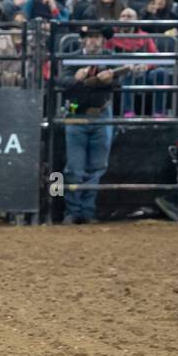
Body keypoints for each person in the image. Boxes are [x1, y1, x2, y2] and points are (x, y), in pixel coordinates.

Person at [59, 25, 122, 224]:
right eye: (90, 37)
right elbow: (61, 81)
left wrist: (111, 79)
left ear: (103, 40)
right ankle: (74, 210)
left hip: (101, 113)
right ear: (84, 40)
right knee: (74, 168)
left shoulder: (111, 58)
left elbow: (121, 82)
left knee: (97, 167)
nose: (94, 41)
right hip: (77, 113)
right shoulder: (72, 58)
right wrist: (77, 79)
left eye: (97, 37)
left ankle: (86, 211)